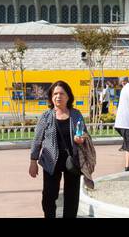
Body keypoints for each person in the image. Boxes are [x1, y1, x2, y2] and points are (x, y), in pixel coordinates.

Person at [29, 80, 95, 218]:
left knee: (72, 197)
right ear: (51, 97)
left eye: (62, 94)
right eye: (55, 94)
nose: (58, 96)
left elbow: (84, 133)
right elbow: (37, 140)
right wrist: (33, 161)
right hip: (50, 162)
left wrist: (81, 138)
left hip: (72, 161)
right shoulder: (46, 116)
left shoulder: (76, 114)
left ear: (68, 96)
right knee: (49, 195)